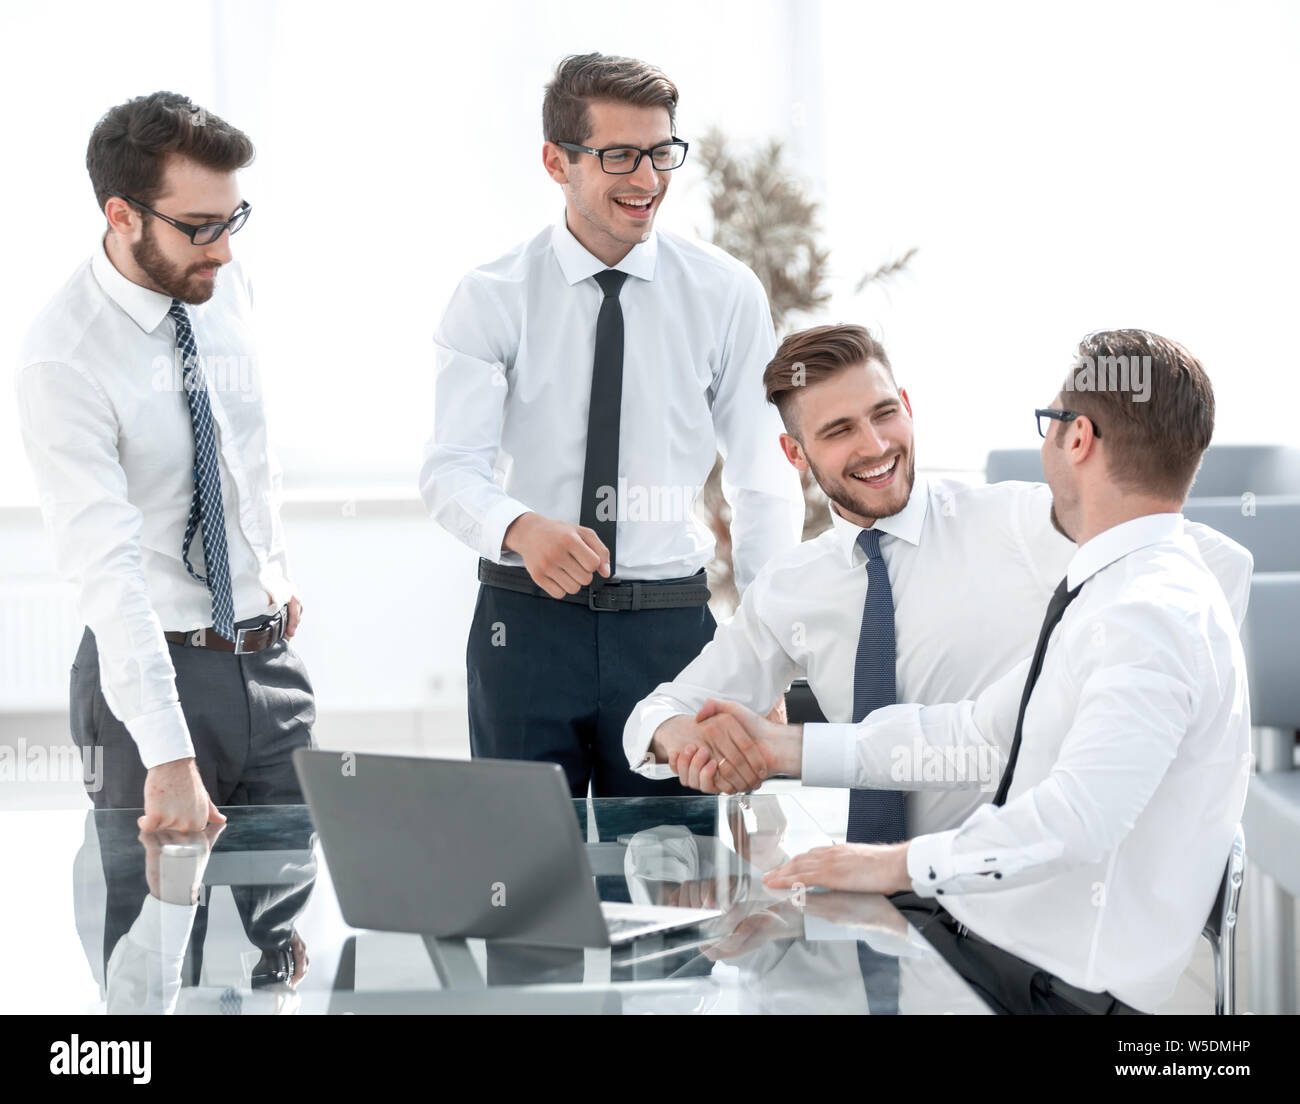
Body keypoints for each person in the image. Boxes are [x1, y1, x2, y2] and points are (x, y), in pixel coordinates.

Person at [682, 330, 1251, 1014]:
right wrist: (788, 750)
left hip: (1055, 987)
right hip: (1007, 947)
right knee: (787, 941)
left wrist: (893, 863)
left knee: (761, 969)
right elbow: (978, 729)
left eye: (1050, 424)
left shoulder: (1142, 615)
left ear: (1078, 441)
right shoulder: (1115, 590)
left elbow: (1075, 819)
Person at [420, 53, 803, 797]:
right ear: (556, 162)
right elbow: (449, 471)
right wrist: (521, 527)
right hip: (525, 625)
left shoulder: (725, 294)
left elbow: (764, 479)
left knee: (675, 875)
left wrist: (764, 653)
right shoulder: (491, 297)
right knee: (527, 884)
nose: (648, 179)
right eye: (620, 156)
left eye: (661, 153)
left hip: (669, 632)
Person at [16, 91, 313, 832]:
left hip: (269, 663)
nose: (224, 249)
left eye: (232, 219)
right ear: (122, 216)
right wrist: (168, 754)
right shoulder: (65, 356)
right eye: (201, 228)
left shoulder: (222, 284)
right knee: (159, 938)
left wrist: (270, 574)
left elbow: (245, 452)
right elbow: (106, 570)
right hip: (152, 683)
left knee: (285, 921)